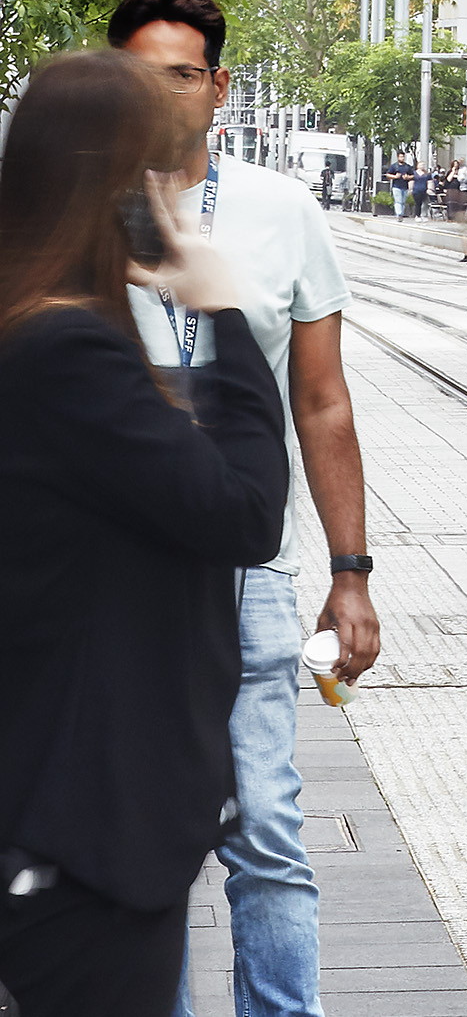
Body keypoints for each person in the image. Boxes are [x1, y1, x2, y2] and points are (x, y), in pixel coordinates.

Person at [110, 0, 386, 1017]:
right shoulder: (73, 212)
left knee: (264, 829)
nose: (164, 96)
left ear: (219, 87)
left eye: (184, 76)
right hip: (115, 569)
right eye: (142, 77)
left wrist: (351, 574)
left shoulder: (283, 211)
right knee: (143, 840)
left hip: (247, 571)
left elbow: (322, 400)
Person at [0, 51, 296, 1017]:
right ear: (115, 191)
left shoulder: (39, 332)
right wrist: (226, 315)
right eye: (155, 174)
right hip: (83, 837)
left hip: (67, 822)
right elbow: (243, 514)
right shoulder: (65, 351)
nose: (172, 199)